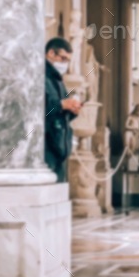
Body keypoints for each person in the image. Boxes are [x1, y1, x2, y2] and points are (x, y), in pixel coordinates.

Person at [45, 37, 82, 182]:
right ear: (51, 53)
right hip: (45, 146)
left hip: (59, 146)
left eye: (68, 60)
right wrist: (61, 105)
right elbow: (37, 112)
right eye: (63, 58)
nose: (65, 64)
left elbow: (61, 112)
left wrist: (72, 111)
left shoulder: (58, 80)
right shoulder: (39, 77)